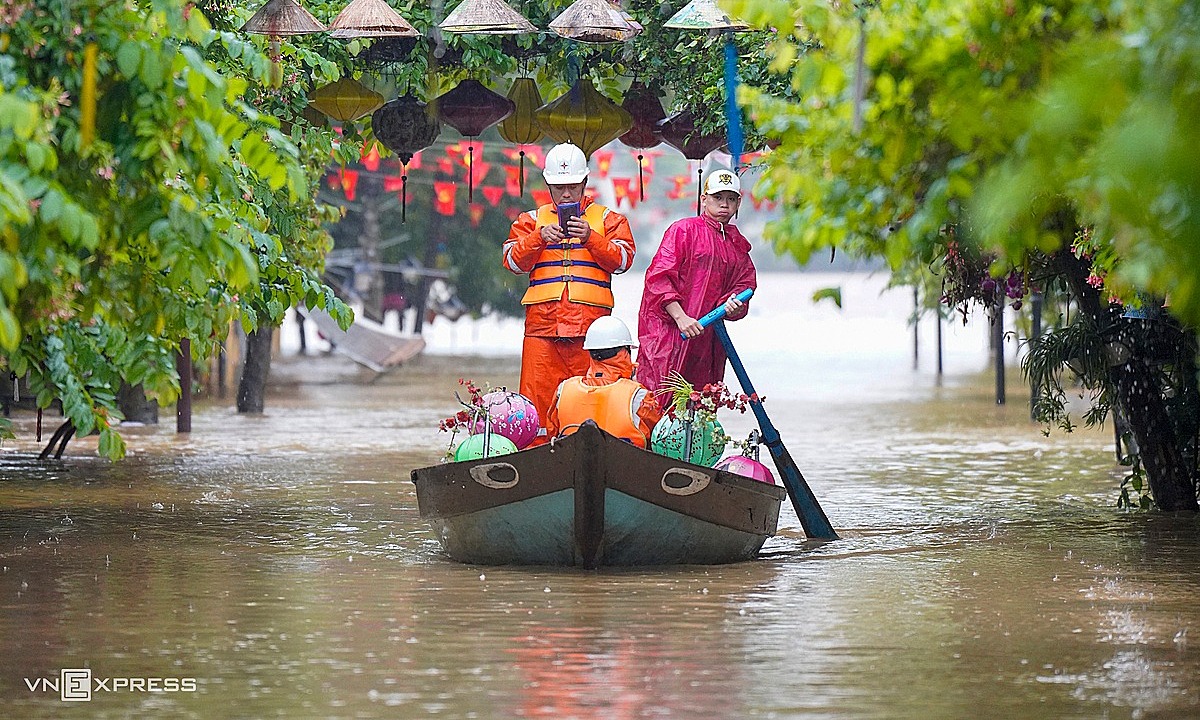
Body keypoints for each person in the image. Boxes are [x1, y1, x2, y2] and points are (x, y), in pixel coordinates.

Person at [503, 143, 637, 445]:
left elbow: (623, 261)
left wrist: (591, 238)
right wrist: (538, 239)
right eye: (560, 187)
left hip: (592, 333)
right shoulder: (531, 221)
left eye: (573, 187)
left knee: (593, 400)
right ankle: (538, 460)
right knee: (536, 404)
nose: (566, 195)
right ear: (549, 185)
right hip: (542, 329)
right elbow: (511, 261)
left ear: (585, 184)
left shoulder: (609, 220)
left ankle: (592, 453)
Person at [636, 167, 757, 396]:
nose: (724, 204)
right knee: (660, 400)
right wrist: (681, 317)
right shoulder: (684, 230)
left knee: (702, 403)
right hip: (671, 334)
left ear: (738, 203)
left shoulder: (737, 246)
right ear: (704, 199)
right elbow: (658, 279)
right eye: (718, 197)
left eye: (731, 198)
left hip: (708, 339)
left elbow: (744, 286)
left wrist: (733, 306)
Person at [545, 316, 662, 447]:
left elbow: (552, 433)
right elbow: (660, 437)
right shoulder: (639, 396)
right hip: (628, 466)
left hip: (573, 465)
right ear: (625, 352)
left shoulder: (564, 389)